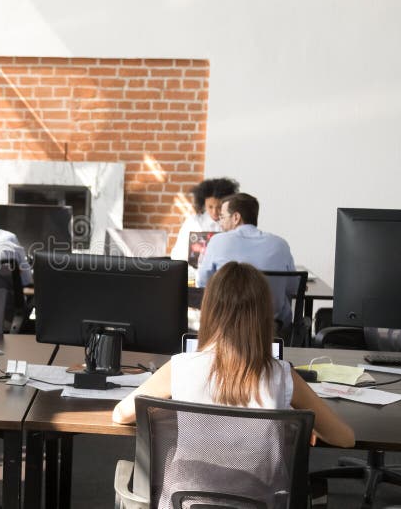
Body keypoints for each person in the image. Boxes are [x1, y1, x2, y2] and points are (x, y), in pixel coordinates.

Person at [112, 262, 355, 449]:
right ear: (263, 316)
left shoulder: (179, 368)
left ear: (210, 311)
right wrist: (295, 424)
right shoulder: (281, 375)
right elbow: (345, 439)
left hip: (185, 500)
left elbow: (121, 414)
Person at [196, 192, 296, 326]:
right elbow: (293, 288)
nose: (220, 223)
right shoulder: (280, 244)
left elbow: (203, 283)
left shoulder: (218, 241)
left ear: (236, 217)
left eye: (222, 217)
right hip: (272, 328)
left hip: (227, 326)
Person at [170, 177, 239, 263]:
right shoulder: (193, 223)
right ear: (203, 204)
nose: (214, 212)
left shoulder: (234, 223)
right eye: (210, 207)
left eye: (219, 207)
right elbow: (178, 254)